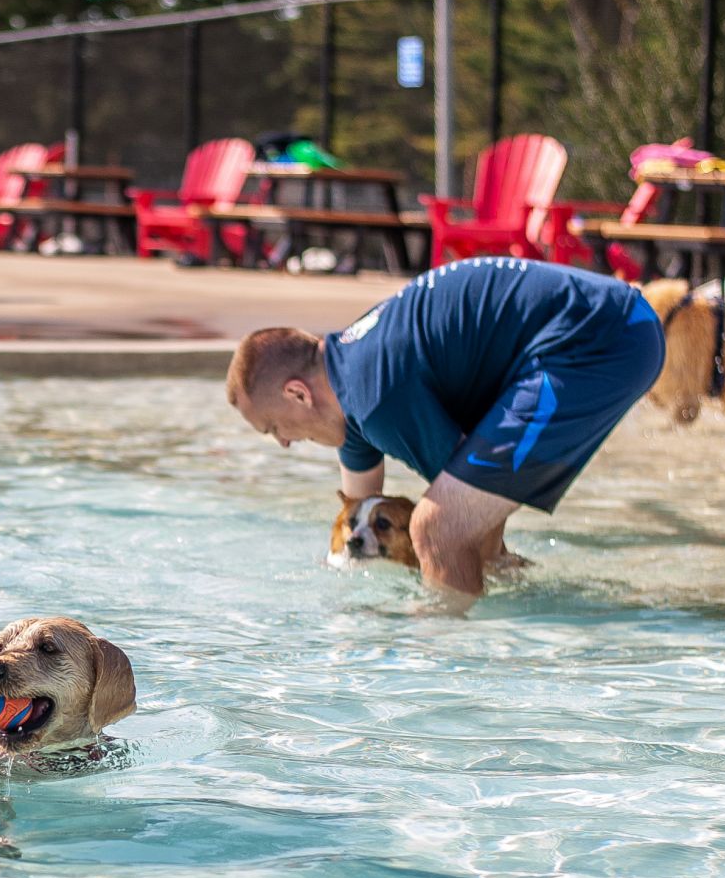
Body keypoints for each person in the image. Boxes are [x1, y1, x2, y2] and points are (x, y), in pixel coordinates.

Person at [226, 257, 664, 613]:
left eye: (273, 427)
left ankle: (449, 673)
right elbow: (354, 518)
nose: (283, 442)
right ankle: (516, 615)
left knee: (438, 529)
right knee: (460, 533)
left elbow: (459, 523)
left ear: (297, 394)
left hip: (602, 340)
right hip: (603, 326)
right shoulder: (351, 380)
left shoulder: (375, 394)